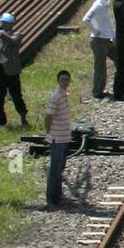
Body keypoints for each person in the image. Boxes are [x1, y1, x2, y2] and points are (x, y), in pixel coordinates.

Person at [0, 12, 28, 128]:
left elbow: (13, 42)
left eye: (3, 23)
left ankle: (23, 117)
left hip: (11, 72)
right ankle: (1, 122)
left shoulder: (17, 34)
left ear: (9, 24)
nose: (1, 24)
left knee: (16, 96)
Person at [44, 70, 73, 209]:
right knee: (55, 169)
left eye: (67, 79)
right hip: (57, 139)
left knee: (59, 168)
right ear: (58, 81)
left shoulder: (64, 95)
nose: (65, 82)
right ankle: (52, 199)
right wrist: (49, 133)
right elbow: (48, 116)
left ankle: (57, 196)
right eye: (62, 80)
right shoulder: (56, 96)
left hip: (64, 138)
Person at [81, 0, 116, 99]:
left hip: (107, 39)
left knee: (120, 59)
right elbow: (86, 19)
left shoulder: (104, 3)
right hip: (99, 41)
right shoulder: (99, 5)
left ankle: (120, 85)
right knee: (100, 68)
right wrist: (94, 30)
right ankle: (97, 92)